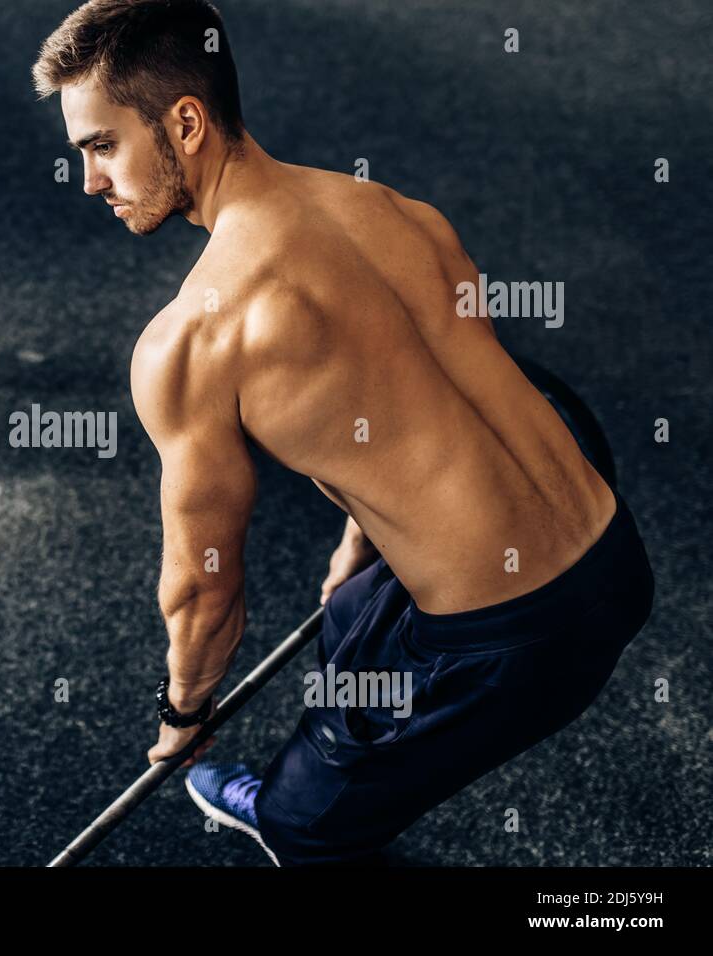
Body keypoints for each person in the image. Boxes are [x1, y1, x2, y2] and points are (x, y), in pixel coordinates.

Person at [32, 0, 654, 866]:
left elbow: (204, 593)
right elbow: (429, 401)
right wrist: (359, 536)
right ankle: (342, 732)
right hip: (615, 553)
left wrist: (183, 716)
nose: (91, 180)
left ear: (184, 121)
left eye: (102, 146)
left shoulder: (193, 343)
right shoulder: (394, 209)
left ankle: (298, 812)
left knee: (307, 828)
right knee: (352, 611)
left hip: (511, 646)